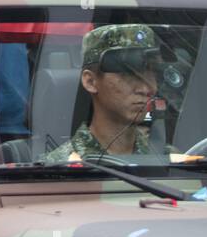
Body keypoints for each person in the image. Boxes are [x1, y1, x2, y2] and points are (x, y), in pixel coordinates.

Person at [45, 24, 173, 162]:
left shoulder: (167, 158)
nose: (147, 88)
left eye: (151, 72)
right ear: (91, 82)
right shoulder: (62, 167)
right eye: (128, 74)